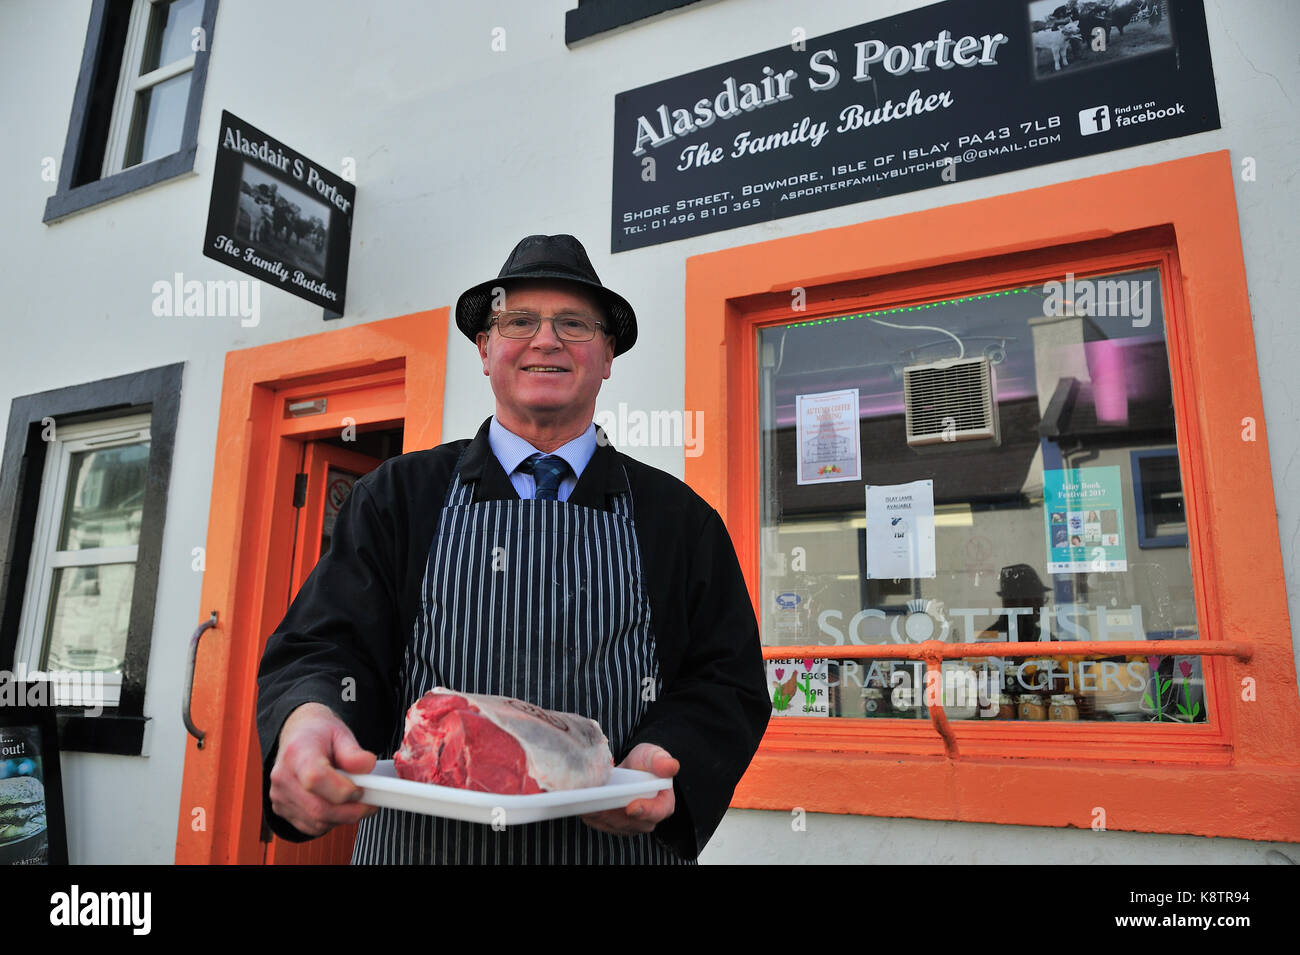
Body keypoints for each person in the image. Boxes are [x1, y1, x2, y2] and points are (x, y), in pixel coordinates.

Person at [256, 234, 770, 863]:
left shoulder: (679, 518)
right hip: (424, 851)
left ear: (608, 355)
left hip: (615, 853)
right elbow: (327, 644)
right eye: (518, 321)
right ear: (485, 349)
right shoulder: (397, 496)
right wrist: (310, 717)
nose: (545, 340)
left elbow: (727, 681)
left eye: (574, 324)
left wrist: (664, 758)